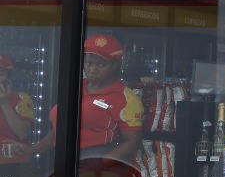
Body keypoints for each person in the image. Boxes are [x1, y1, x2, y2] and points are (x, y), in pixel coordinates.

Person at [40, 34, 143, 164]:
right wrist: (33, 149)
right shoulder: (74, 88)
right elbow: (60, 129)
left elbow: (133, 142)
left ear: (114, 65)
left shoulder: (123, 97)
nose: (93, 69)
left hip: (97, 163)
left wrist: (100, 164)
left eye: (101, 65)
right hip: (64, 160)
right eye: (89, 63)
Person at [0, 57, 37, 156]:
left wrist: (4, 103)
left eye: (1, 74)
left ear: (8, 78)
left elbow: (22, 133)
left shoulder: (22, 98)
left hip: (12, 160)